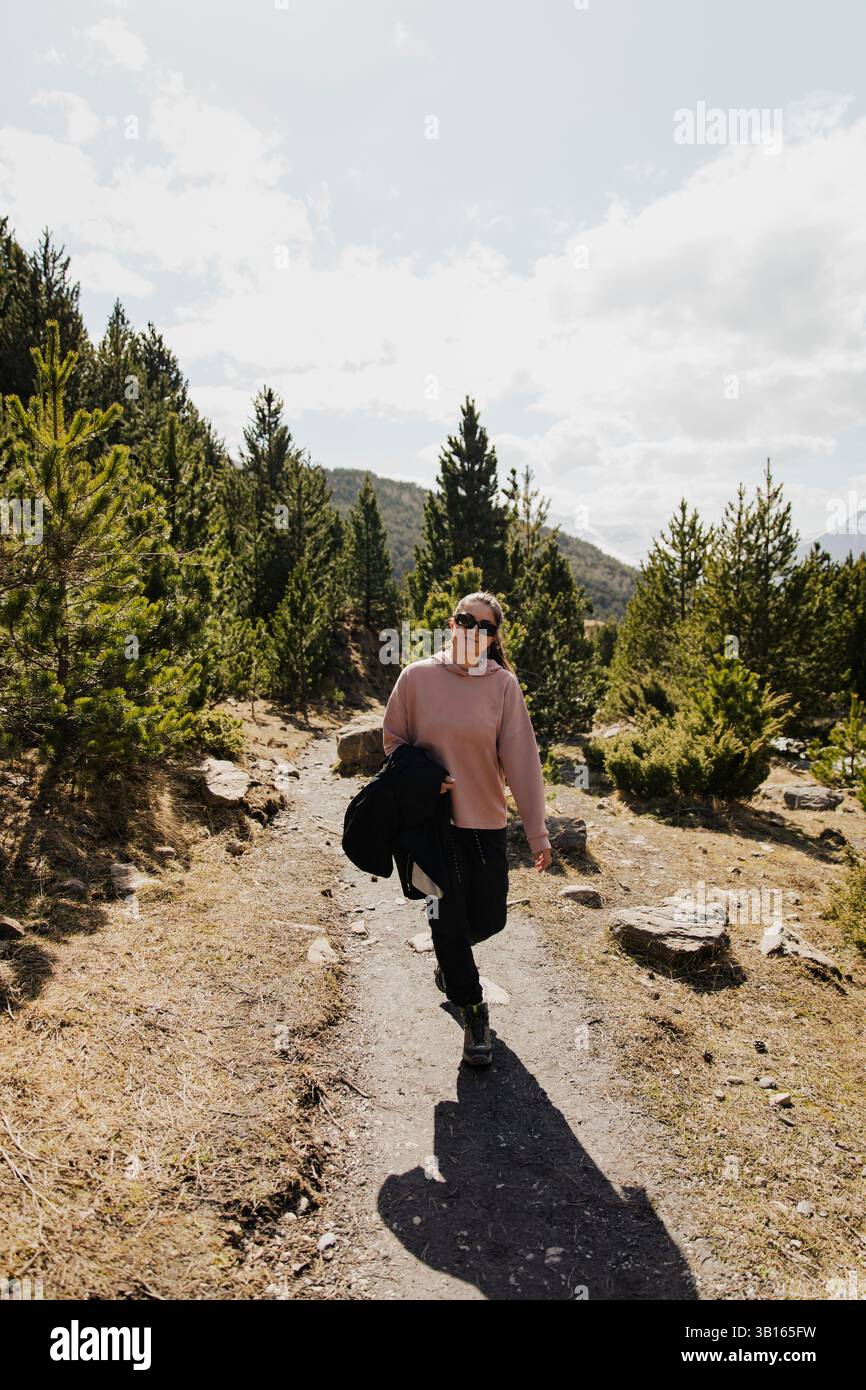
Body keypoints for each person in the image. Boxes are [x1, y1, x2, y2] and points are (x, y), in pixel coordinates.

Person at [382, 591, 552, 1066]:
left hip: (485, 822)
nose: (474, 631)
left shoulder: (503, 686)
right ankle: (473, 1011)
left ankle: (450, 955)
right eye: (465, 620)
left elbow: (523, 763)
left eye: (485, 626)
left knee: (490, 918)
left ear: (494, 637)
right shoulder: (416, 677)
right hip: (429, 825)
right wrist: (425, 778)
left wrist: (537, 833)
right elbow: (393, 741)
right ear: (451, 624)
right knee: (447, 918)